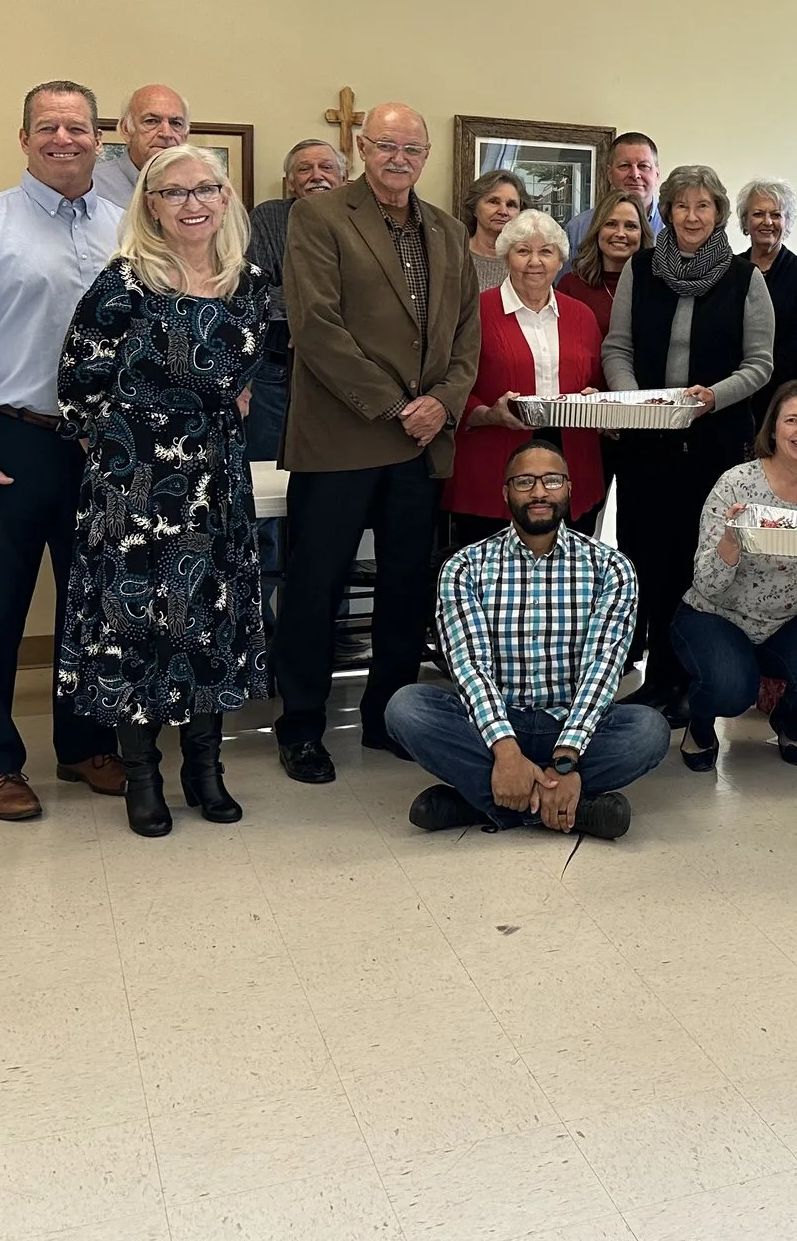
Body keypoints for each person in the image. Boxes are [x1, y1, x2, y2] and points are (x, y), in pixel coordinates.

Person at [0, 80, 125, 820]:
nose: (63, 138)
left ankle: (85, 744)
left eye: (77, 126)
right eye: (48, 126)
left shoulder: (124, 227)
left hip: (100, 444)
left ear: (100, 138)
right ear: (24, 138)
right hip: (4, 440)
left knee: (90, 607)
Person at [57, 145, 274, 838]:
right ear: (150, 203)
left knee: (211, 617)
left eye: (205, 189)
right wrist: (125, 451)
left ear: (225, 196)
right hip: (136, 486)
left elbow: (245, 378)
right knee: (138, 627)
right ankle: (142, 774)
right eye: (174, 192)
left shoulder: (249, 282)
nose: (193, 204)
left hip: (217, 480)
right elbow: (78, 386)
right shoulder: (124, 281)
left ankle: (205, 769)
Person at [274, 102, 481, 784]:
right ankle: (301, 725)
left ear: (427, 157)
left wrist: (442, 403)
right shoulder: (322, 217)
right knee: (315, 587)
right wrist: (397, 405)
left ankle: (388, 715)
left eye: (412, 147)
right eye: (386, 145)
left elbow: (463, 339)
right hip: (342, 438)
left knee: (403, 589)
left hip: (419, 445)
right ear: (363, 147)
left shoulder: (449, 233)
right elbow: (316, 326)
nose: (399, 157)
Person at [389, 434, 668, 841]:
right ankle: (568, 807)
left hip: (574, 724)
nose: (539, 492)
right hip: (494, 724)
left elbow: (602, 670)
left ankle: (483, 801)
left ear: (569, 489)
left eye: (552, 481)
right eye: (525, 482)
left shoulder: (612, 567)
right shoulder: (465, 567)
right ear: (506, 493)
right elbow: (470, 668)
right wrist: (505, 751)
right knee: (406, 708)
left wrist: (567, 760)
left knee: (649, 729)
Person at [603, 163, 776, 719]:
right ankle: (657, 679)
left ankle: (689, 680)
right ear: (667, 212)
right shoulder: (640, 269)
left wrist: (711, 398)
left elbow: (760, 365)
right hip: (646, 445)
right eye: (681, 206)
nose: (692, 216)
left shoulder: (746, 279)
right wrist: (637, 405)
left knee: (696, 563)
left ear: (720, 214)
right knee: (645, 555)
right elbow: (617, 348)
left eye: (703, 207)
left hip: (714, 446)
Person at [673, 382, 797, 769]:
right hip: (715, 615)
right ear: (773, 429)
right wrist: (730, 543)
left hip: (787, 622)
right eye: (792, 421)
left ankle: (789, 724)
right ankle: (700, 728)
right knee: (732, 688)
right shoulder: (736, 484)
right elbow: (706, 582)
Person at [446, 210, 606, 550]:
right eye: (523, 251)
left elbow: (597, 380)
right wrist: (488, 413)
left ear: (560, 259)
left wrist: (596, 397)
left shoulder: (581, 315)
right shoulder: (473, 312)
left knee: (567, 579)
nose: (535, 261)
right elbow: (451, 384)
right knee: (493, 582)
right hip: (492, 464)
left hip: (572, 462)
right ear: (506, 256)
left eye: (546, 251)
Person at [246, 137, 345, 632]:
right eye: (304, 168)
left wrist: (310, 309)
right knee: (264, 501)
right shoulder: (269, 217)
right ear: (289, 180)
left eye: (326, 166)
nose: (315, 175)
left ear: (344, 177)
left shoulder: (358, 221)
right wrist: (325, 311)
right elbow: (259, 291)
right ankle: (258, 631)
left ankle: (331, 627)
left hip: (338, 381)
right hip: (273, 373)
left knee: (331, 501)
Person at [738, 178, 797, 440]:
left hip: (785, 395)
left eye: (776, 214)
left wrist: (754, 376)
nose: (767, 222)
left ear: (787, 222)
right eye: (758, 214)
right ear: (745, 221)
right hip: (736, 395)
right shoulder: (731, 271)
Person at [558, 187, 649, 339]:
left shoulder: (657, 285)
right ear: (597, 230)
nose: (620, 233)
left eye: (630, 226)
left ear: (642, 233)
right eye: (611, 224)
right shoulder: (570, 287)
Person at [92, 83, 191, 209]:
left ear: (186, 134)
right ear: (126, 129)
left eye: (175, 123)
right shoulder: (91, 185)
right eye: (151, 121)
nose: (166, 133)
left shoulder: (197, 188)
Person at [562, 131, 663, 251]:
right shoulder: (578, 228)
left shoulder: (674, 227)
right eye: (625, 165)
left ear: (657, 174)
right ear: (610, 174)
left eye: (643, 166)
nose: (635, 175)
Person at [460, 168, 527, 294]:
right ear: (474, 208)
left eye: (511, 205)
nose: (503, 211)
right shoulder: (455, 256)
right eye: (494, 202)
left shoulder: (526, 263)